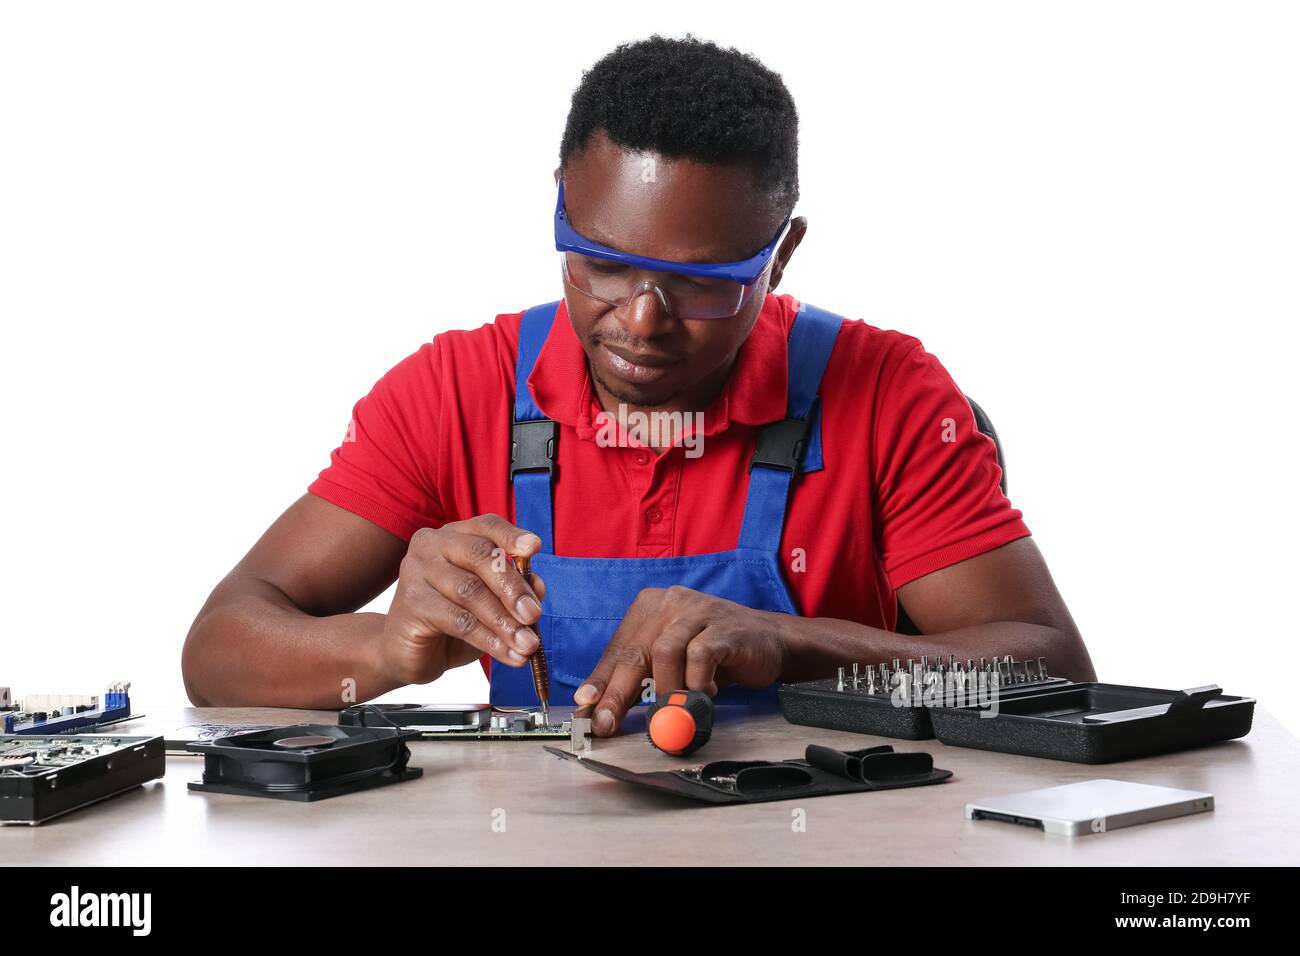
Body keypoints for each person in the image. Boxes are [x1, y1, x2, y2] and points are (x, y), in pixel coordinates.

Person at [183, 35, 1095, 737]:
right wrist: (382, 651)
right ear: (561, 210)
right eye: (603, 264)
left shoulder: (888, 393)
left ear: (781, 255)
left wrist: (794, 642)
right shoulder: (456, 390)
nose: (644, 319)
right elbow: (218, 650)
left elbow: (1054, 672)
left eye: (701, 282)